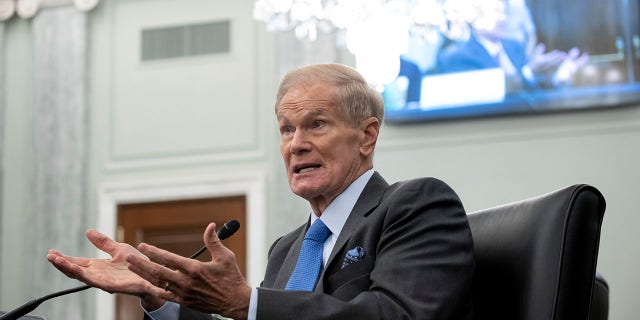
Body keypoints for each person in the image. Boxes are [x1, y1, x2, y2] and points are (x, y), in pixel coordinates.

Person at [47, 63, 475, 320]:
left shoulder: (415, 206)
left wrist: (247, 302)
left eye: (316, 124)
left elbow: (397, 317)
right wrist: (161, 297)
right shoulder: (287, 249)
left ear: (367, 137)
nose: (296, 144)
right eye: (287, 129)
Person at [437, 0, 588, 92]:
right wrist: (529, 70)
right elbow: (492, 92)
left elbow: (531, 88)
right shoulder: (457, 58)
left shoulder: (514, 47)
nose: (502, 18)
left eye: (504, 12)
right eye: (495, 12)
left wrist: (559, 77)